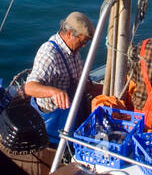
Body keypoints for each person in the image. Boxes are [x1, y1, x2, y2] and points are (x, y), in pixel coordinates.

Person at [24, 11, 100, 143]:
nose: (84, 46)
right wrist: (54, 92)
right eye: (82, 41)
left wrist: (100, 89)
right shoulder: (49, 54)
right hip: (53, 123)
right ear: (70, 34)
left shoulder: (73, 51)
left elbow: (79, 82)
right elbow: (30, 87)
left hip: (72, 116)